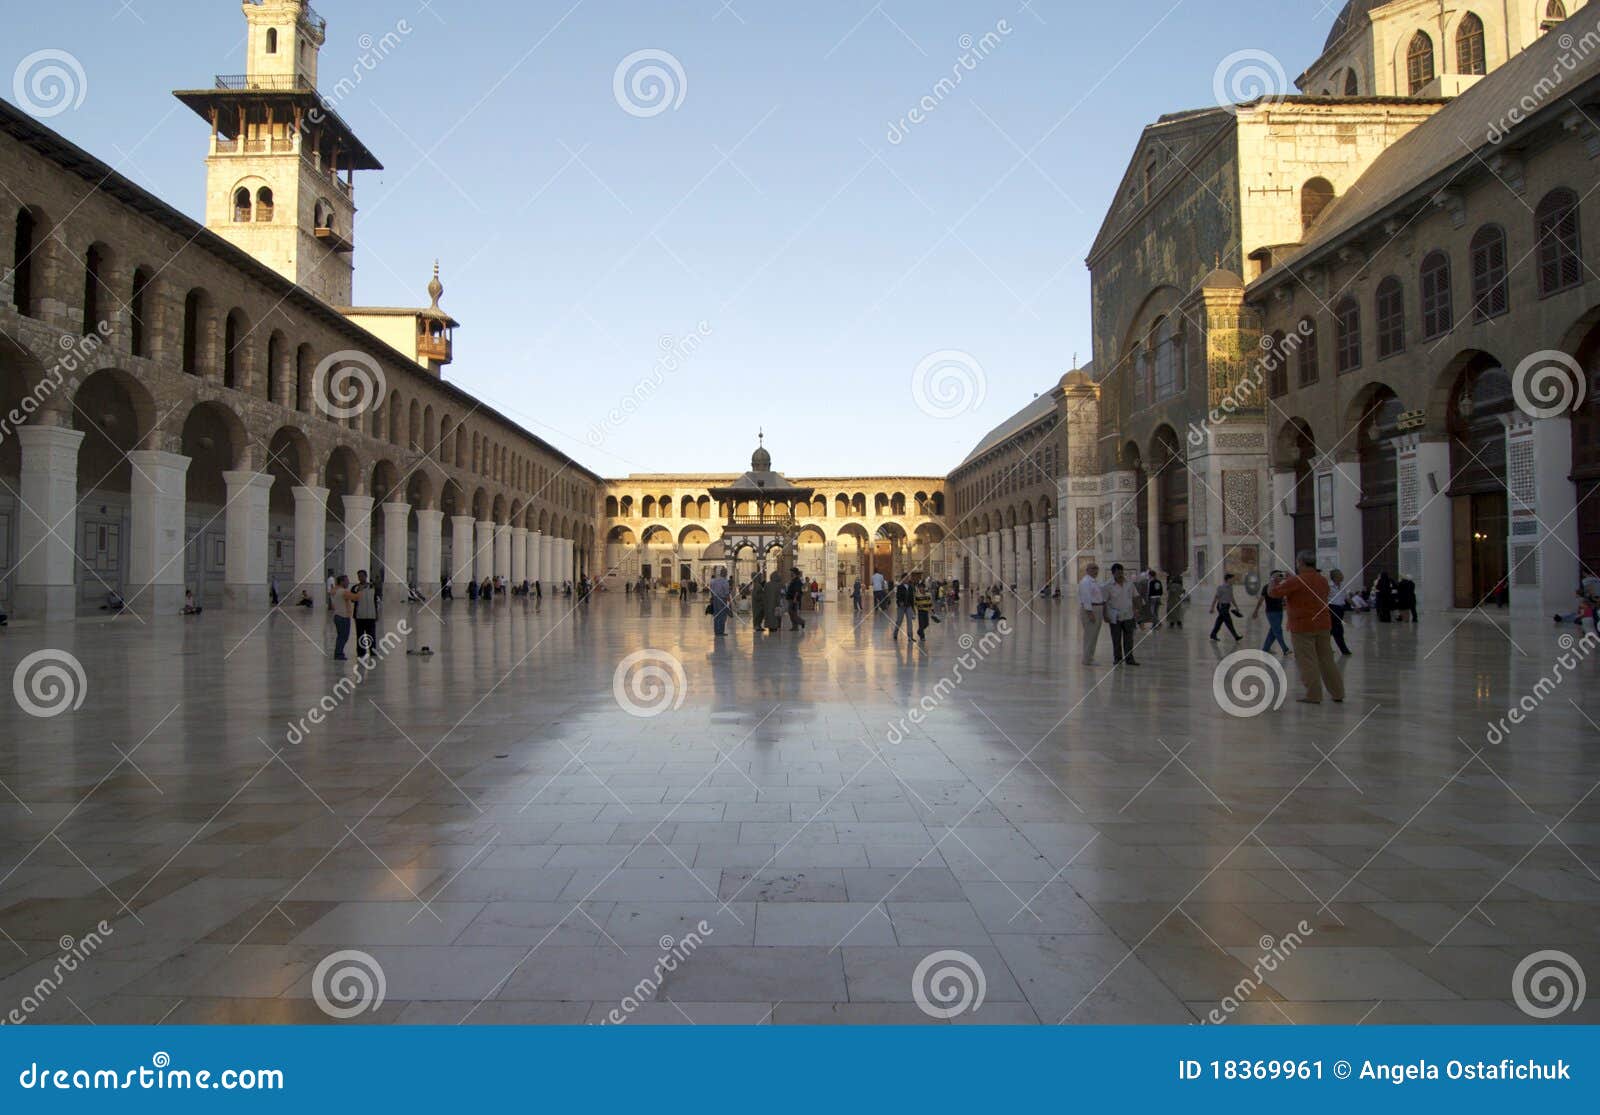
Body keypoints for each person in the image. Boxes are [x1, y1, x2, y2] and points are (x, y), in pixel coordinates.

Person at [1269, 551, 1345, 705]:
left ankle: (1314, 695)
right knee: (1327, 660)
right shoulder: (1322, 580)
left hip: (1302, 625)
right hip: (1323, 624)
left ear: (1300, 562)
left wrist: (1273, 581)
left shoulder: (1297, 580)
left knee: (1307, 661)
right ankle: (1338, 693)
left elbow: (1273, 593)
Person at [1104, 563, 1140, 666]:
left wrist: (1137, 610)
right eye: (1118, 573)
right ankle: (1117, 658)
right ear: (1113, 573)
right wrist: (1105, 615)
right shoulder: (1108, 585)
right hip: (1115, 615)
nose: (1120, 575)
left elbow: (1135, 597)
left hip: (1128, 614)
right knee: (1116, 638)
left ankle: (1130, 658)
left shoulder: (1129, 583)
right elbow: (1105, 601)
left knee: (1129, 639)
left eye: (1121, 572)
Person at [1253, 571, 1291, 656]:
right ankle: (1285, 649)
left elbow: (1283, 599)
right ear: (1273, 577)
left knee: (1273, 630)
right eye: (1278, 576)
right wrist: (1256, 610)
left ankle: (1266, 648)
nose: (1280, 577)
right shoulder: (1267, 587)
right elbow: (1261, 599)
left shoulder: (1281, 587)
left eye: (1281, 576)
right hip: (1271, 612)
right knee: (1278, 630)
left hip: (1279, 611)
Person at [1078, 562, 1105, 666]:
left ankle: (1090, 657)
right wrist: (1090, 613)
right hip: (1091, 610)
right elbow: (1086, 598)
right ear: (1088, 570)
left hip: (1097, 608)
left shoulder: (1094, 582)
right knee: (1090, 635)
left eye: (1097, 568)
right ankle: (1087, 659)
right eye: (1093, 568)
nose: (1096, 571)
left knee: (1094, 635)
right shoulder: (1085, 582)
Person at [351, 569, 379, 661]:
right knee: (360, 635)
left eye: (362, 576)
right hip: (359, 616)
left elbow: (375, 601)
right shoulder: (355, 588)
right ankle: (361, 652)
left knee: (371, 635)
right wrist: (359, 590)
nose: (360, 578)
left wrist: (376, 614)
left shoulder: (372, 586)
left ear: (366, 576)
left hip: (370, 615)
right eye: (359, 576)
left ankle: (373, 651)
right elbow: (352, 599)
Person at [1327, 569, 1353, 656]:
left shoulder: (1342, 585)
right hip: (1333, 608)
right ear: (1335, 577)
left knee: (1332, 630)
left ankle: (1324, 647)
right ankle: (1344, 650)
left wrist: (1354, 605)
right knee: (1338, 629)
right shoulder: (1329, 586)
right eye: (1340, 574)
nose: (1342, 576)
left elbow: (1346, 596)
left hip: (1341, 609)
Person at [1209, 574, 1243, 641]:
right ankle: (1236, 636)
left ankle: (1213, 634)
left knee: (1219, 621)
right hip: (1222, 606)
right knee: (1228, 621)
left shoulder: (1230, 587)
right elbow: (1216, 598)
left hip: (1227, 606)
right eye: (1232, 579)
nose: (1233, 580)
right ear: (1228, 579)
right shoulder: (1221, 587)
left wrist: (1236, 606)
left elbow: (1231, 597)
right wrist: (1212, 607)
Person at [331, 575, 353, 660]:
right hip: (343, 616)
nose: (348, 582)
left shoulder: (336, 591)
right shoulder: (343, 591)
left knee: (341, 636)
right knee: (343, 636)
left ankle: (339, 652)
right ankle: (338, 654)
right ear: (342, 582)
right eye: (347, 581)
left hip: (338, 615)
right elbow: (355, 597)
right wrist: (362, 592)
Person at [709, 566, 732, 637]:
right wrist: (730, 602)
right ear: (725, 574)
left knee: (716, 615)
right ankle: (721, 632)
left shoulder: (714, 581)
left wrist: (712, 598)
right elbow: (726, 593)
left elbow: (711, 591)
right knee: (722, 616)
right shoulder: (725, 582)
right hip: (722, 600)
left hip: (715, 599)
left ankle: (716, 631)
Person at [892, 573, 917, 639]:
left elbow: (912, 598)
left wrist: (913, 608)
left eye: (908, 578)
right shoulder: (900, 587)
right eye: (905, 578)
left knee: (909, 621)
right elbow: (898, 596)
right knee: (899, 620)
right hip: (901, 607)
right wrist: (900, 602)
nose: (907, 579)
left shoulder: (911, 587)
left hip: (908, 606)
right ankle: (895, 633)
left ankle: (910, 636)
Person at [913, 575, 935, 643]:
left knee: (926, 624)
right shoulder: (917, 595)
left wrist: (932, 610)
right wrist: (914, 611)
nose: (920, 589)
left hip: (926, 611)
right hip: (920, 611)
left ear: (924, 588)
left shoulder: (928, 595)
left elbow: (930, 602)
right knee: (921, 624)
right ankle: (922, 636)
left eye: (922, 588)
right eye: (919, 588)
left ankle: (919, 631)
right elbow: (915, 603)